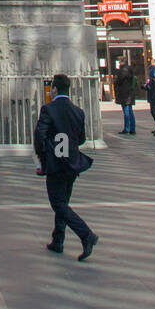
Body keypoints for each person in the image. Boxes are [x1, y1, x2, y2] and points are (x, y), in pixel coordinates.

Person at [34, 74, 97, 261]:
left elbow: (40, 136)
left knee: (58, 204)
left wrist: (42, 157)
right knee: (63, 202)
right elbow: (82, 138)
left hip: (55, 163)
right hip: (72, 162)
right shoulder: (78, 111)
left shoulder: (48, 109)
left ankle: (86, 234)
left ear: (54, 89)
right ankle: (58, 240)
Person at [113, 61, 138, 135]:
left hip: (125, 93)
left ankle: (127, 128)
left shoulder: (122, 71)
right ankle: (132, 128)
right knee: (130, 111)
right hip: (130, 93)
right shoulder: (130, 70)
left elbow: (119, 81)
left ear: (120, 62)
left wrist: (116, 80)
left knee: (126, 111)